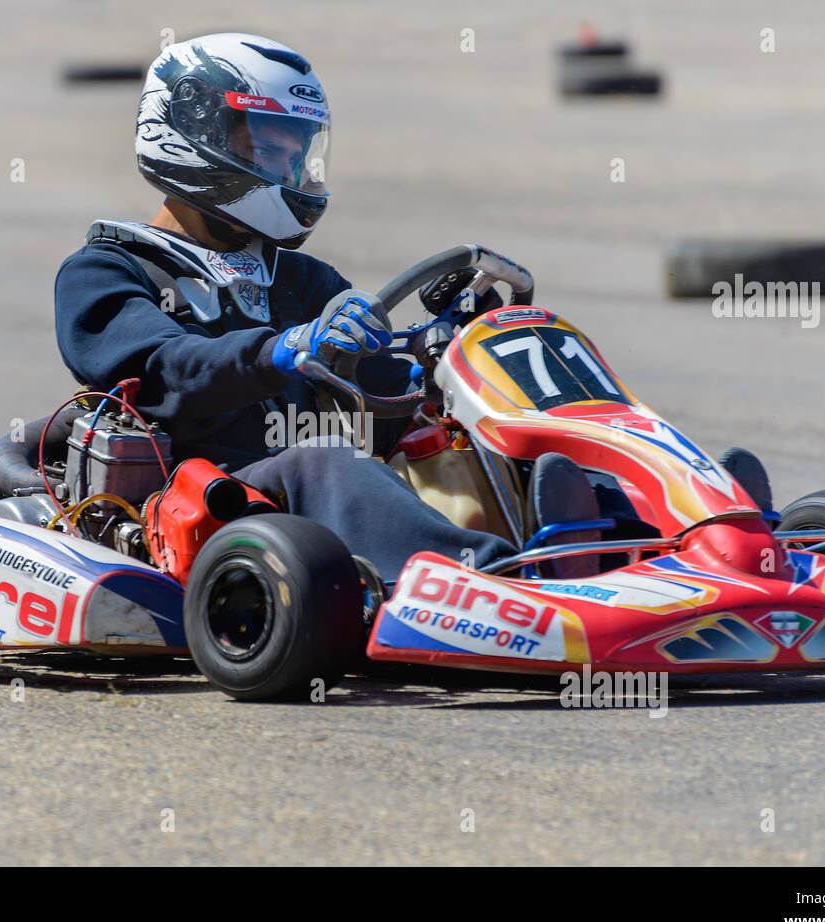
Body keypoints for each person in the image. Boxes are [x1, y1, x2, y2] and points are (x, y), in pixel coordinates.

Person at [55, 32, 515, 579]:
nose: (289, 172)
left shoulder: (302, 279)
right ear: (192, 134)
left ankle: (608, 552)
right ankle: (498, 583)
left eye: (298, 156)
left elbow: (383, 399)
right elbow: (163, 373)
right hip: (200, 497)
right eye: (268, 152)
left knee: (497, 441)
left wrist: (444, 365)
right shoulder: (108, 270)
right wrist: (283, 350)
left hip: (307, 493)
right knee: (326, 459)